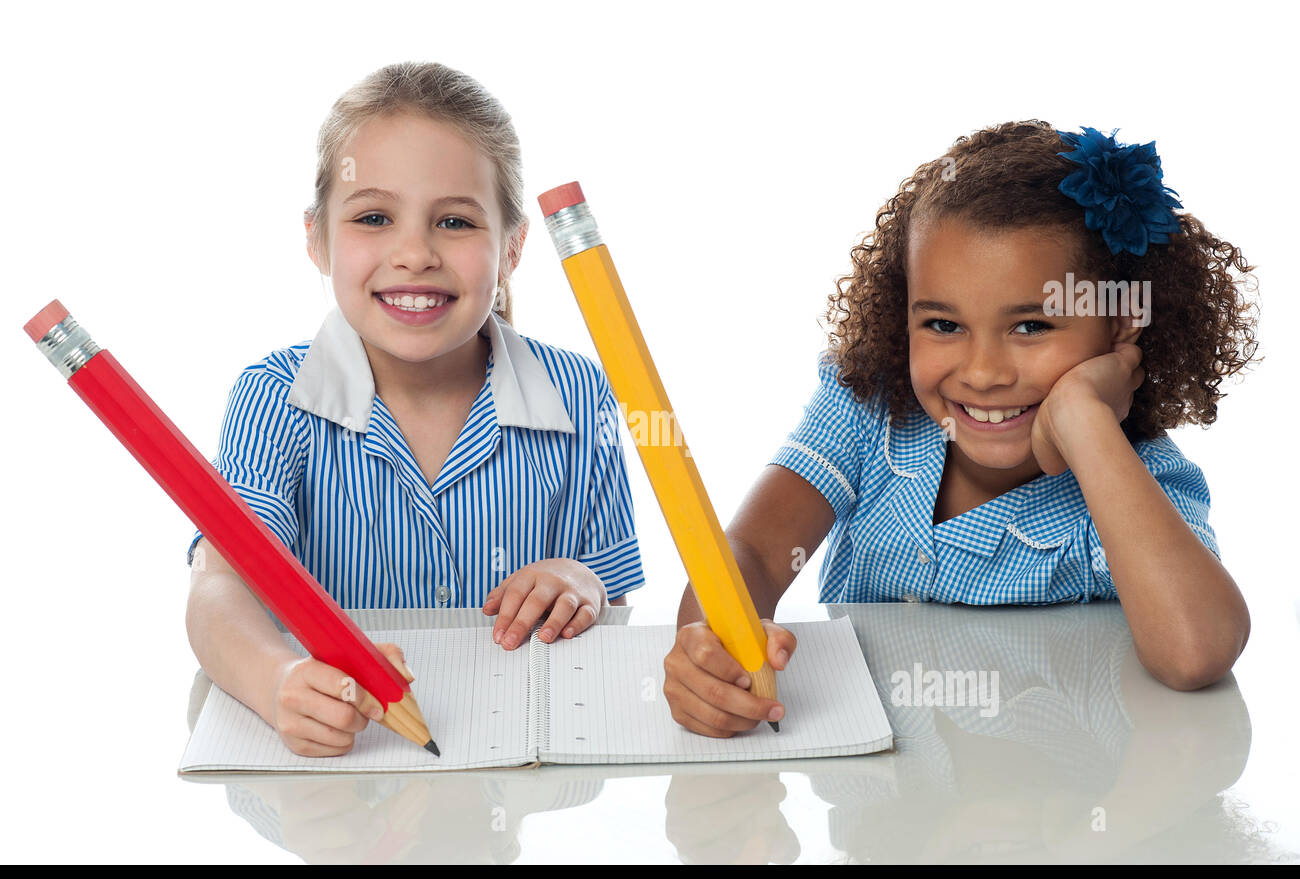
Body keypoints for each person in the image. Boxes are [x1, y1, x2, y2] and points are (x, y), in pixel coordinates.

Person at [665, 121, 1256, 737]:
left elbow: (1195, 652)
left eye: (1031, 326)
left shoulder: (1138, 479)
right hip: (888, 812)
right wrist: (709, 642)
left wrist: (1084, 420)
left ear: (1122, 326)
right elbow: (755, 552)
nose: (983, 374)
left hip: (1055, 822)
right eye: (944, 325)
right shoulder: (867, 410)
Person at [186, 62, 644, 756]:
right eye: (374, 217)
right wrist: (278, 680)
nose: (414, 253)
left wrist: (584, 584)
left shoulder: (580, 393)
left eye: (455, 221)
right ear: (317, 240)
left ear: (512, 248)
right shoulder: (273, 398)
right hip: (345, 781)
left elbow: (610, 594)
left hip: (523, 763)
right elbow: (219, 590)